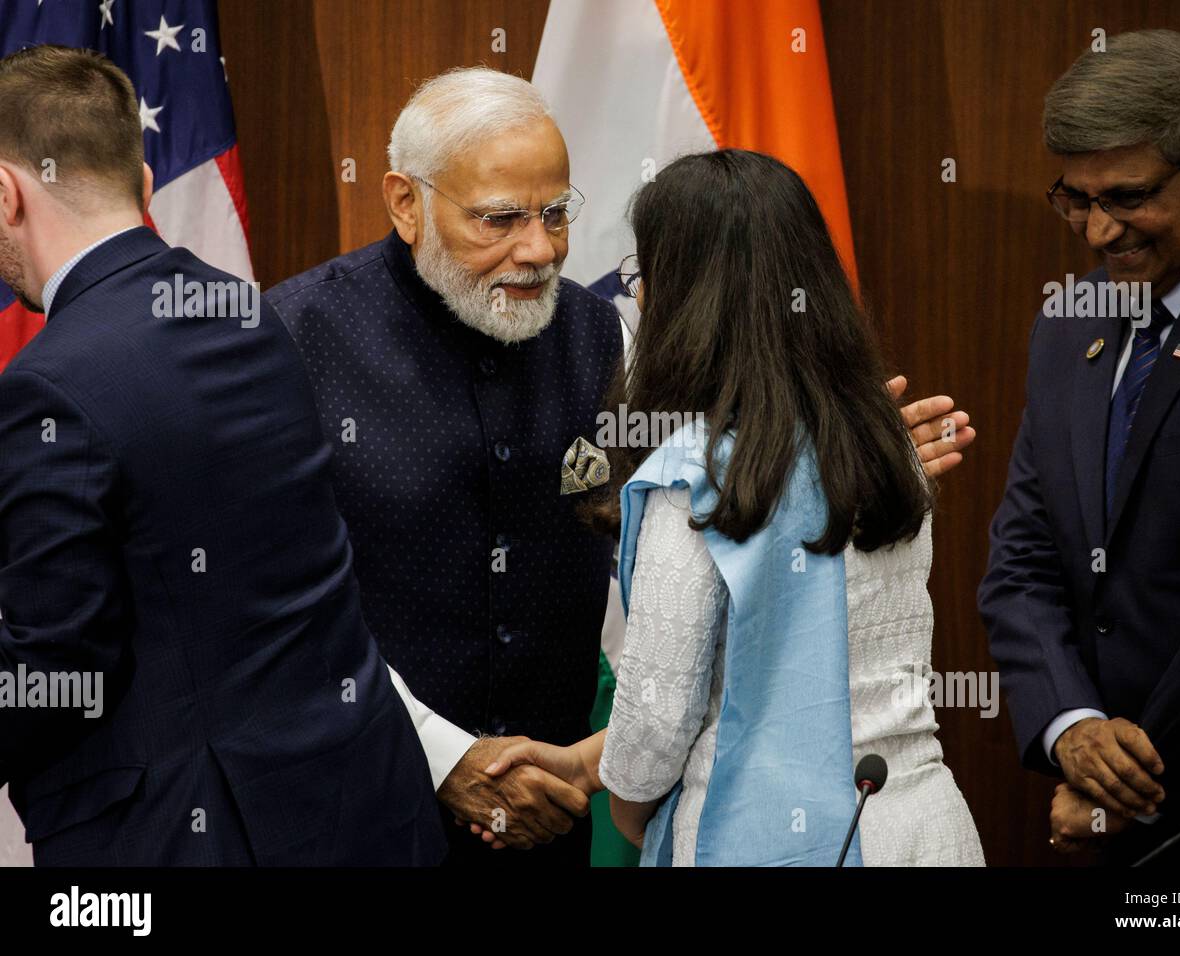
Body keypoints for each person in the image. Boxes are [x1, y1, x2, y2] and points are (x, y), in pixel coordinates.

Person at [268, 67, 977, 865]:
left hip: (557, 814)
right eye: (500, 218)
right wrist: (447, 758)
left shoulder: (607, 336)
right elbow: (278, 597)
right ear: (405, 201)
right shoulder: (289, 342)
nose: (539, 250)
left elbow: (665, 547)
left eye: (556, 213)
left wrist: (829, 466)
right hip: (368, 810)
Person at [0, 45, 474, 864]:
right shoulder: (249, 317)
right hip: (362, 800)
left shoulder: (47, 385)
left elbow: (57, 675)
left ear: (6, 193)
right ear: (145, 183)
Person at [475, 149, 985, 866]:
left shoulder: (692, 477)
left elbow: (656, 733)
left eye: (644, 275)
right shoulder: (887, 447)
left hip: (762, 837)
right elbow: (765, 681)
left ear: (678, 296)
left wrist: (628, 810)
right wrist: (595, 763)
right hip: (925, 828)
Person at [978, 29, 1180, 864]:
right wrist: (1073, 728)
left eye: (1126, 197)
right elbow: (1021, 558)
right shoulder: (1066, 319)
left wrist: (1126, 773)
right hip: (1102, 804)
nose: (1095, 233)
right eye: (1076, 199)